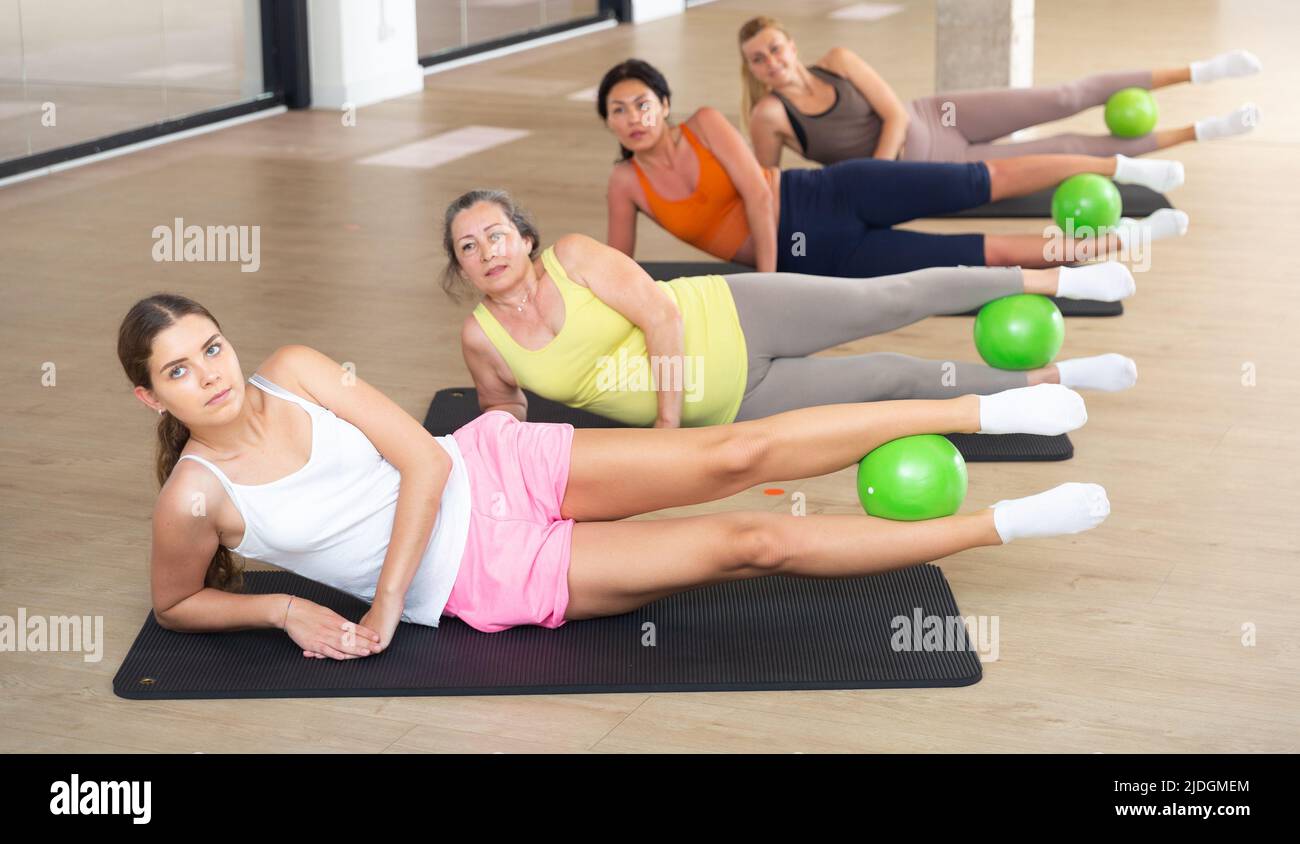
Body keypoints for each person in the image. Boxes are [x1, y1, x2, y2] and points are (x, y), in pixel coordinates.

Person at [120, 293, 1109, 654]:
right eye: (179, 369)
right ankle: (1010, 521)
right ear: (150, 398)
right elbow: (175, 605)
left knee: (735, 453)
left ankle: (981, 409)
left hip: (488, 466)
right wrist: (283, 611)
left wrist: (379, 606)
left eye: (211, 348)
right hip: (480, 576)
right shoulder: (195, 498)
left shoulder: (292, 370)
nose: (208, 374)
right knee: (749, 540)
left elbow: (422, 455)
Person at [446, 189, 1138, 428]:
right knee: (887, 379)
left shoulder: (573, 256)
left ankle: (1061, 282)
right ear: (464, 268)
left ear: (525, 238)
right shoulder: (482, 338)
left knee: (888, 298)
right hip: (738, 402)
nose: (487, 251)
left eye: (496, 234)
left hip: (736, 314)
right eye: (469, 246)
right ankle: (1059, 380)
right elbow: (503, 412)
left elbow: (660, 315)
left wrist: (666, 428)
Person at [599, 59, 1189, 278]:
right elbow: (620, 264)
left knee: (984, 182)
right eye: (619, 111)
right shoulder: (627, 183)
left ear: (664, 104)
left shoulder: (704, 123)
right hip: (823, 256)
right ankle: (1127, 238)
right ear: (610, 123)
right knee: (988, 255)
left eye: (642, 104)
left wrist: (772, 283)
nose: (633, 118)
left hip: (829, 193)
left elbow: (756, 191)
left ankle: (1124, 168)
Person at [738, 15, 1261, 167]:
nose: (772, 63)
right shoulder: (769, 116)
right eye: (759, 59)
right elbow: (769, 186)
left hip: (937, 117)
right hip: (937, 171)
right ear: (753, 71)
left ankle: (1199, 71)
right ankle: (1203, 130)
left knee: (1061, 97)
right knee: (1072, 149)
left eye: (776, 49)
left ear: (791, 43)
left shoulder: (837, 62)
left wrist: (874, 172)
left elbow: (895, 115)